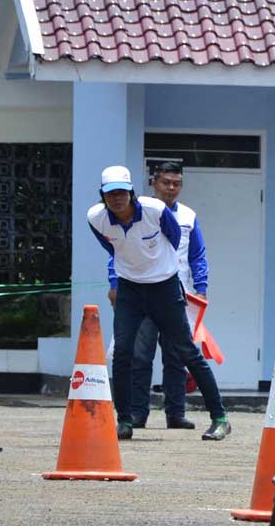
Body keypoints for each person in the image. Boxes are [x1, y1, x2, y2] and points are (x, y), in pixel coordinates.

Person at [88, 165, 231, 442]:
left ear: (131, 192)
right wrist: (121, 278)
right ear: (102, 196)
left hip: (164, 288)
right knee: (125, 354)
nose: (116, 199)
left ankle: (220, 418)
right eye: (110, 194)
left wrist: (163, 269)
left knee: (186, 352)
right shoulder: (96, 218)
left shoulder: (154, 210)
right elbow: (113, 248)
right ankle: (125, 420)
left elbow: (175, 240)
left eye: (121, 192)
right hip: (130, 290)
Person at [107, 161, 209, 435]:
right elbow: (118, 249)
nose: (171, 188)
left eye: (176, 183)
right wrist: (114, 282)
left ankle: (176, 413)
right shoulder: (139, 211)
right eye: (166, 182)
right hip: (141, 292)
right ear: (153, 183)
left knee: (177, 356)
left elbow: (197, 255)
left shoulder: (188, 215)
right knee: (140, 355)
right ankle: (137, 414)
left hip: (178, 294)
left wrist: (201, 288)